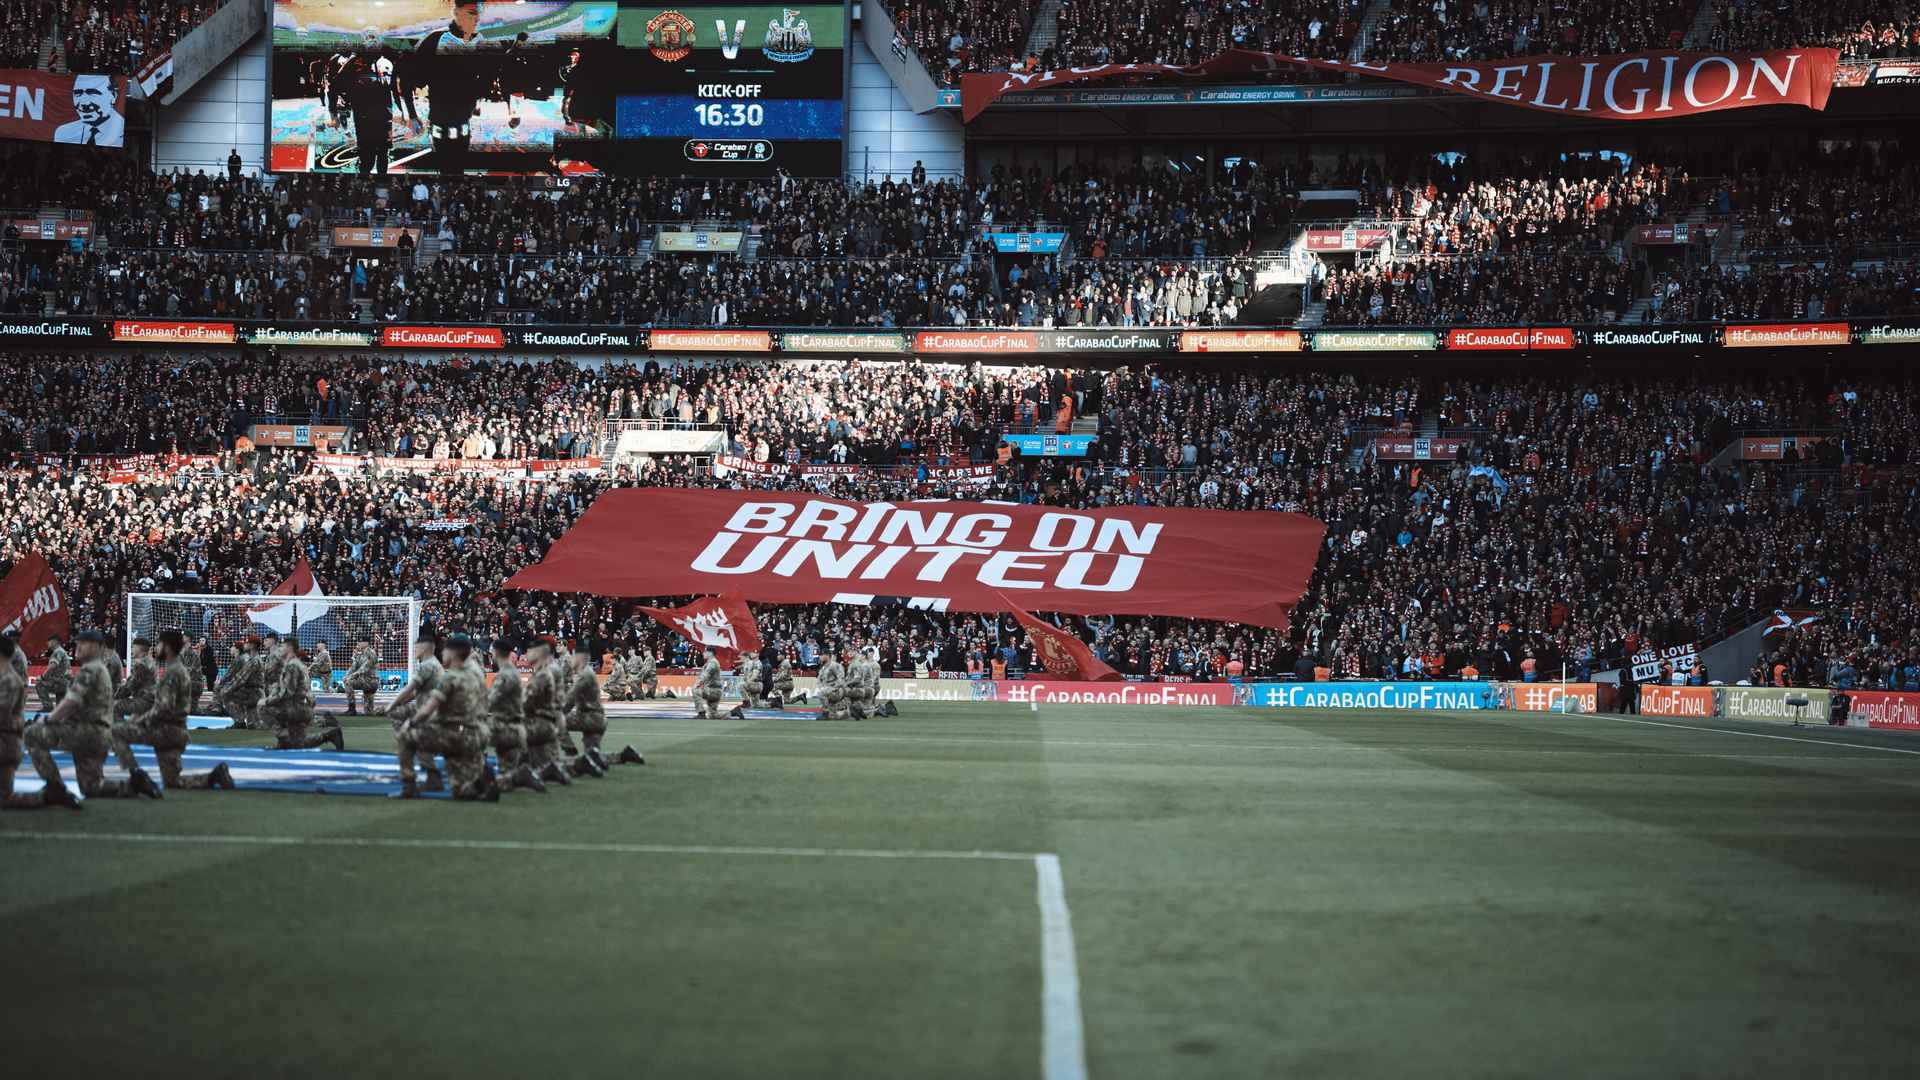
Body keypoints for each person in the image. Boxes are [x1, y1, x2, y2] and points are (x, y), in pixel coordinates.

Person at [26, 630, 160, 806]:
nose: (78, 647)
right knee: (91, 787)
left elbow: (70, 703)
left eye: (84, 643)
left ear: (97, 647)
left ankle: (55, 787)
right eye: (77, 643)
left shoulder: (91, 669)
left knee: (32, 734)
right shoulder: (98, 668)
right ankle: (134, 785)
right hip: (98, 734)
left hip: (87, 732)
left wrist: (47, 720)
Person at [111, 630, 235, 791]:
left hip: (166, 731)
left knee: (116, 731)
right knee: (172, 781)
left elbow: (163, 708)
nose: (156, 648)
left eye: (159, 644)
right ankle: (215, 775)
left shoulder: (173, 672)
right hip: (176, 731)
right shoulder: (176, 669)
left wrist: (139, 721)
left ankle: (134, 774)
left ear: (167, 647)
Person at [398, 634, 497, 800]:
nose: (442, 653)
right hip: (480, 733)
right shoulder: (476, 672)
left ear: (453, 653)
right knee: (459, 792)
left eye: (445, 650)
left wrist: (412, 722)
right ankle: (479, 779)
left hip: (456, 734)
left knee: (407, 735)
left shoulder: (451, 677)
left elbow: (428, 709)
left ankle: (409, 785)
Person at [406, 1, 495, 175]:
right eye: (471, 13)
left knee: (457, 170)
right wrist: (412, 115)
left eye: (478, 14)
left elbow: (487, 78)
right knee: (447, 170)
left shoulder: (480, 41)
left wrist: (476, 94)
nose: (476, 19)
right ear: (456, 12)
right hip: (442, 122)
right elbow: (410, 79)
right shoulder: (435, 40)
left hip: (463, 122)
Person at [565, 644, 643, 770]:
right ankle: (623, 756)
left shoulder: (584, 674)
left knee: (554, 720)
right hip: (597, 719)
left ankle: (568, 750)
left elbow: (569, 701)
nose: (571, 660)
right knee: (592, 757)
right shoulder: (587, 672)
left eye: (573, 656)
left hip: (589, 718)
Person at [259, 638, 345, 751]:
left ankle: (284, 739)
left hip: (295, 709)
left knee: (263, 707)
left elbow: (287, 693)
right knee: (299, 744)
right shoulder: (293, 664)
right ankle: (328, 736)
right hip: (299, 707)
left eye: (282, 646)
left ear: (289, 648)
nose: (280, 650)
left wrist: (268, 701)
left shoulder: (292, 666)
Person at [385, 637, 446, 789]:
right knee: (397, 712)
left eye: (416, 647)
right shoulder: (434, 664)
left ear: (424, 648)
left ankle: (411, 751)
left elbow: (410, 688)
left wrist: (392, 704)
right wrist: (399, 704)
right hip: (428, 708)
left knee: (406, 735)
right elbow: (414, 692)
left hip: (429, 712)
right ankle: (415, 748)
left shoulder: (427, 665)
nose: (414, 651)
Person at [486, 637, 544, 792]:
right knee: (507, 767)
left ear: (496, 652)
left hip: (505, 726)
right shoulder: (512, 672)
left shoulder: (504, 675)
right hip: (512, 725)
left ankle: (521, 775)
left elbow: (490, 701)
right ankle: (520, 774)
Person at [1, 636, 52, 809]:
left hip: (5, 743)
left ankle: (48, 797)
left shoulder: (8, 680)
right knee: (4, 797)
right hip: (8, 742)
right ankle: (48, 797)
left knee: (4, 797)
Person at [519, 637, 575, 785]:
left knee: (548, 763)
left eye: (530, 650)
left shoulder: (549, 670)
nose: (527, 653)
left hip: (546, 718)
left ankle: (582, 762)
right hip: (548, 717)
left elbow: (528, 701)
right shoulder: (549, 668)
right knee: (546, 762)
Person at [53, 75, 124, 146]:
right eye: (78, 93)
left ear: (113, 96)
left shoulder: (122, 132)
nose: (83, 103)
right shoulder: (64, 133)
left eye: (92, 93)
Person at [113, 636, 157, 723]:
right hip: (151, 701)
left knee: (115, 706)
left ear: (138, 648)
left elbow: (129, 688)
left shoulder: (141, 664)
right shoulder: (149, 662)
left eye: (133, 647)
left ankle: (120, 729)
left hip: (144, 702)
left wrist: (115, 697)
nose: (132, 650)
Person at [37, 634, 71, 714]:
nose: (47, 643)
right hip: (65, 682)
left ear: (55, 642)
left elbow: (52, 666)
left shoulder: (58, 651)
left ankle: (48, 707)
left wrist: (43, 677)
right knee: (60, 708)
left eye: (49, 641)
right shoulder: (62, 651)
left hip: (59, 682)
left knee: (40, 684)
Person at [345, 637, 380, 715]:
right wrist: (346, 676)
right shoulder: (360, 654)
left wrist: (351, 677)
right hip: (365, 680)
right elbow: (353, 667)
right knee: (369, 713)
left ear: (366, 643)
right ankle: (381, 711)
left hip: (371, 681)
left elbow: (364, 668)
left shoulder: (371, 653)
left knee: (349, 683)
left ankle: (352, 709)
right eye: (358, 642)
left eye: (361, 642)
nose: (358, 643)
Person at [817, 649, 850, 721]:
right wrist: (822, 687)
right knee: (833, 716)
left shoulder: (835, 665)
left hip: (837, 690)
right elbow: (819, 680)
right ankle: (848, 712)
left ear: (827, 656)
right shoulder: (823, 667)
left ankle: (825, 713)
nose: (820, 657)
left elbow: (841, 679)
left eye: (821, 655)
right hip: (828, 691)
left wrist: (832, 687)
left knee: (820, 693)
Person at [693, 648, 725, 719]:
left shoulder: (712, 663)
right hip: (715, 690)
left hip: (713, 690)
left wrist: (698, 684)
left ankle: (701, 713)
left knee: (695, 690)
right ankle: (733, 712)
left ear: (710, 653)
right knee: (713, 715)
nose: (703, 653)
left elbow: (706, 674)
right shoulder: (710, 662)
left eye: (705, 652)